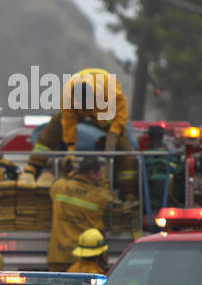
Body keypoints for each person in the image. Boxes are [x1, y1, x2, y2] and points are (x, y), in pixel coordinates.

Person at [24, 67, 138, 199]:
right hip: (85, 107)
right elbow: (68, 125)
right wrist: (71, 151)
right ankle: (34, 165)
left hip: (105, 115)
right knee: (55, 124)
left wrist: (112, 137)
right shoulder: (68, 95)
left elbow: (121, 117)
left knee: (124, 146)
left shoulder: (111, 91)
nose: (84, 109)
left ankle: (128, 192)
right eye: (81, 105)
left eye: (86, 105)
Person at [48, 157, 112, 271]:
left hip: (58, 255)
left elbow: (57, 183)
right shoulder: (99, 197)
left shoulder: (59, 186)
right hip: (83, 256)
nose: (101, 178)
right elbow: (108, 198)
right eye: (100, 174)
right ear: (91, 174)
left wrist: (70, 173)